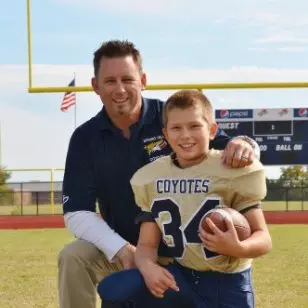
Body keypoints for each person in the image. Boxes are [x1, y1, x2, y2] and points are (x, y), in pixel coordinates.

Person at [58, 40, 260, 308]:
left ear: (142, 80)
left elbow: (228, 144)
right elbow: (77, 213)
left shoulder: (172, 117)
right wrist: (121, 249)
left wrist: (247, 144)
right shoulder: (86, 137)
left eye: (127, 79)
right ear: (96, 86)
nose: (119, 89)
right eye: (110, 81)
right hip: (122, 245)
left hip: (182, 247)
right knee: (73, 256)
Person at [97, 90, 272, 308]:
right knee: (115, 289)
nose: (185, 135)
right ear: (166, 134)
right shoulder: (152, 176)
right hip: (182, 279)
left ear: (212, 130)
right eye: (176, 128)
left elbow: (263, 238)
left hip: (227, 284)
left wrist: (238, 248)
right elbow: (146, 244)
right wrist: (148, 267)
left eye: (194, 126)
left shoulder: (231, 170)